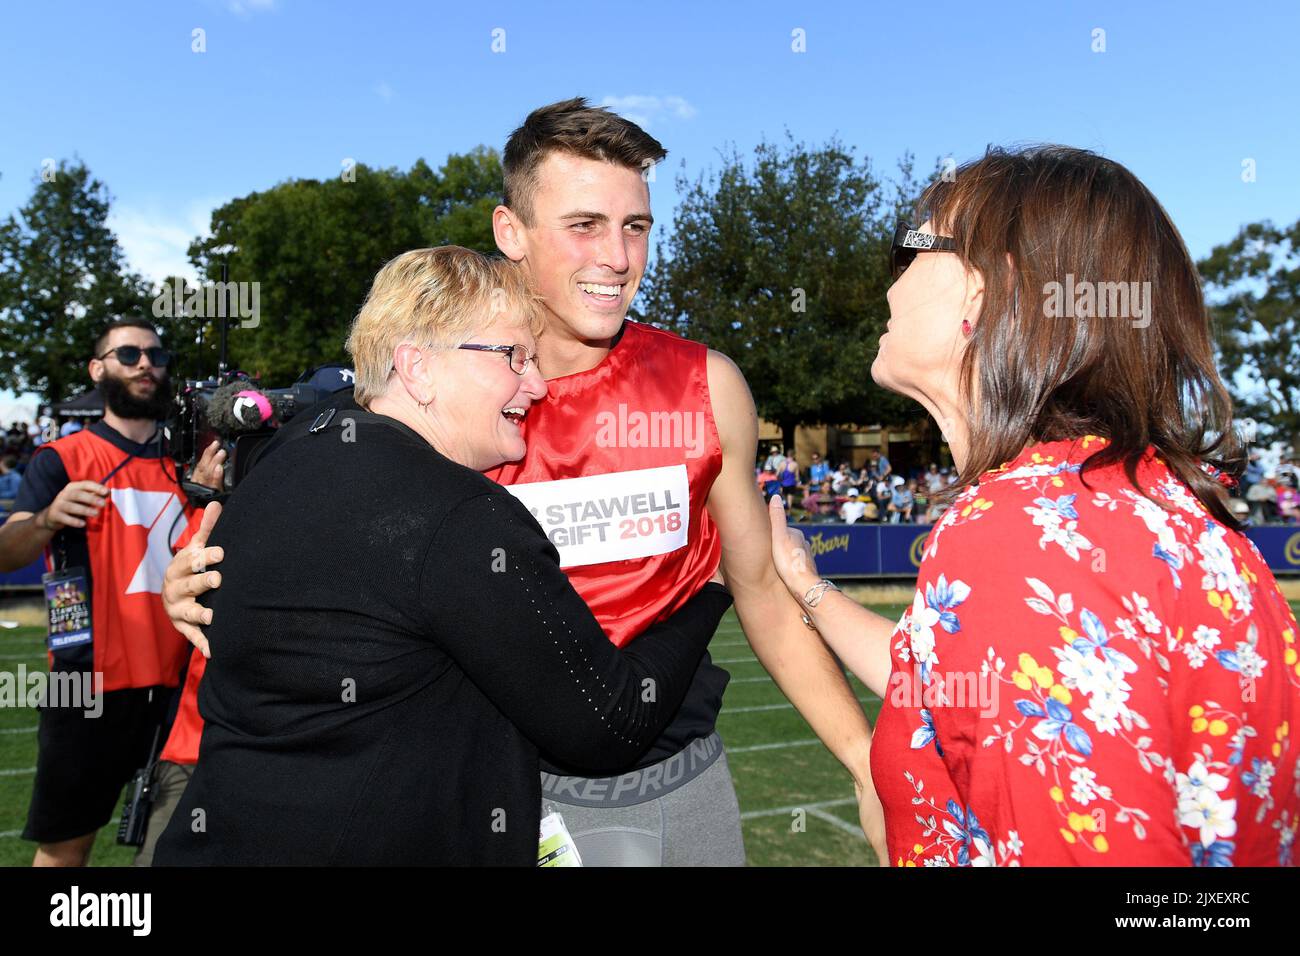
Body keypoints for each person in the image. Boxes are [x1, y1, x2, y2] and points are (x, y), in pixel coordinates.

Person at [161, 99, 882, 865]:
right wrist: (205, 580)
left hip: (668, 779)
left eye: (634, 226)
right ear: (511, 232)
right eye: (583, 225)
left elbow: (760, 591)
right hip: (477, 787)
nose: (616, 256)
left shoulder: (705, 386)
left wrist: (865, 763)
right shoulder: (438, 396)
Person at [768, 145, 1300, 866]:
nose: (891, 277)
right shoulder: (1126, 501)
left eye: (915, 244)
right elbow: (964, 681)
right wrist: (806, 583)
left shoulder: (1016, 541)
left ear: (988, 293)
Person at [153, 247, 733, 866]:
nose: (536, 386)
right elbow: (608, 722)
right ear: (418, 368)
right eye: (515, 356)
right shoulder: (458, 516)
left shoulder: (284, 458)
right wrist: (712, 591)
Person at [0, 318, 223, 867]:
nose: (146, 363)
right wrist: (49, 517)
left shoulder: (192, 462)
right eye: (128, 353)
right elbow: (9, 551)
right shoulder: (62, 457)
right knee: (64, 845)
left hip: (180, 688)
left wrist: (213, 494)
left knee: (178, 841)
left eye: (157, 354)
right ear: (98, 369)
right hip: (86, 684)